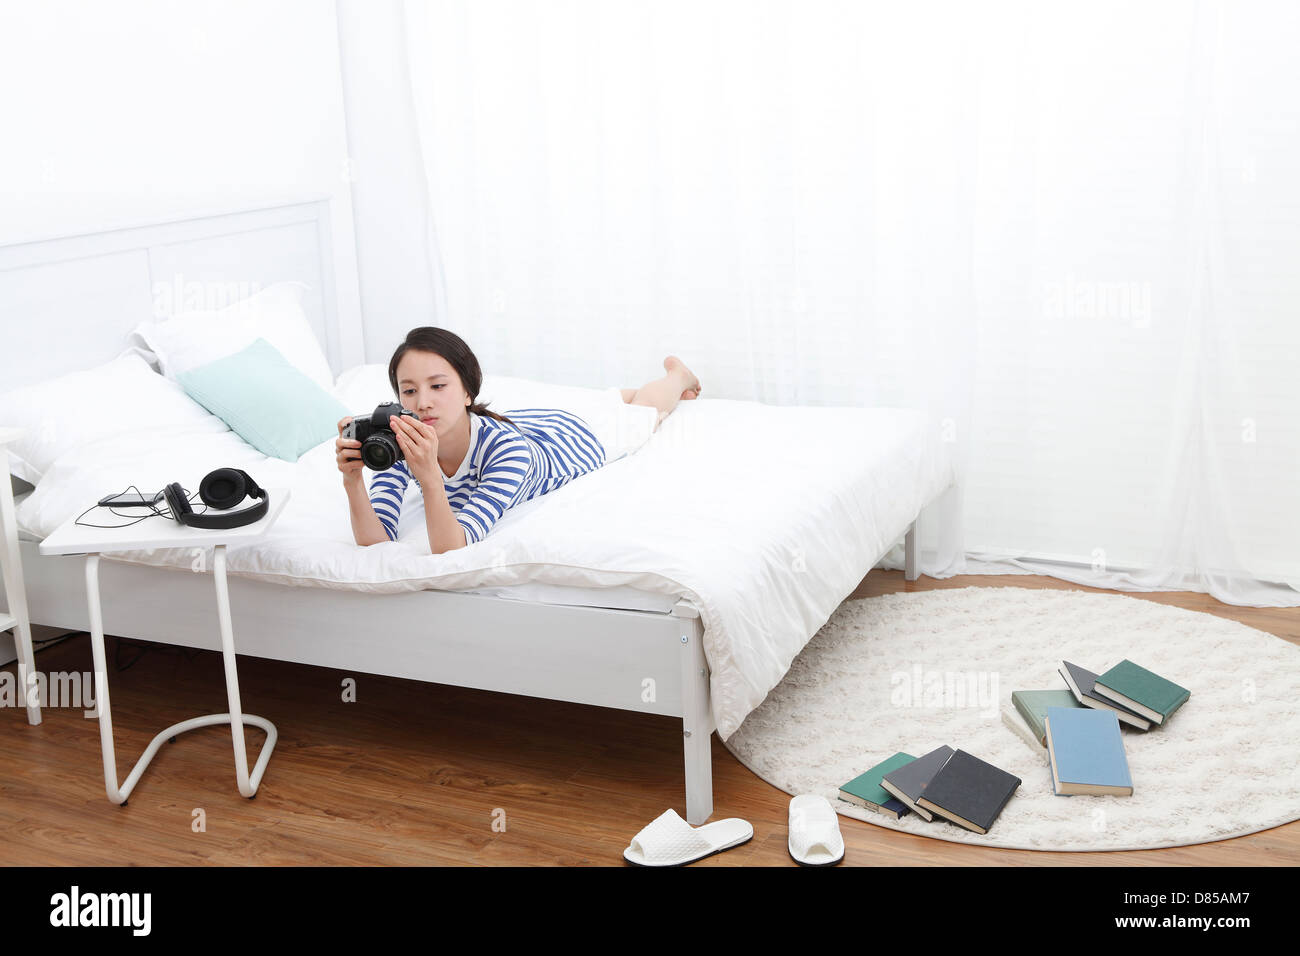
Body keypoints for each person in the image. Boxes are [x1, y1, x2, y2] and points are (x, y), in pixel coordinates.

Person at [335, 327, 702, 553]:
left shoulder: (506, 452)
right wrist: (353, 481)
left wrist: (429, 476)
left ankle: (677, 377)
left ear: (467, 390)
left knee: (642, 416)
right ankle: (618, 395)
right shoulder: (401, 442)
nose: (423, 402)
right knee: (601, 401)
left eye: (438, 386)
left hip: (571, 442)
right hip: (523, 423)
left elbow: (453, 547)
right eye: (409, 390)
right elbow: (375, 542)